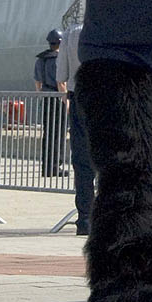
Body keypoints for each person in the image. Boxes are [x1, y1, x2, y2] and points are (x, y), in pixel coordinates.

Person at [59, 20, 94, 235]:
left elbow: (61, 74)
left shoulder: (70, 33)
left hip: (78, 96)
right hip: (107, 95)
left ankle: (85, 219)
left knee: (82, 162)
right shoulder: (110, 25)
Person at [34, 29, 67, 177]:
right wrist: (66, 101)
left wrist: (42, 94)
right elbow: (61, 82)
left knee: (48, 133)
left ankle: (46, 166)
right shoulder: (60, 59)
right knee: (58, 133)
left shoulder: (41, 59)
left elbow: (37, 82)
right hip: (58, 97)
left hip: (46, 97)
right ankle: (55, 166)